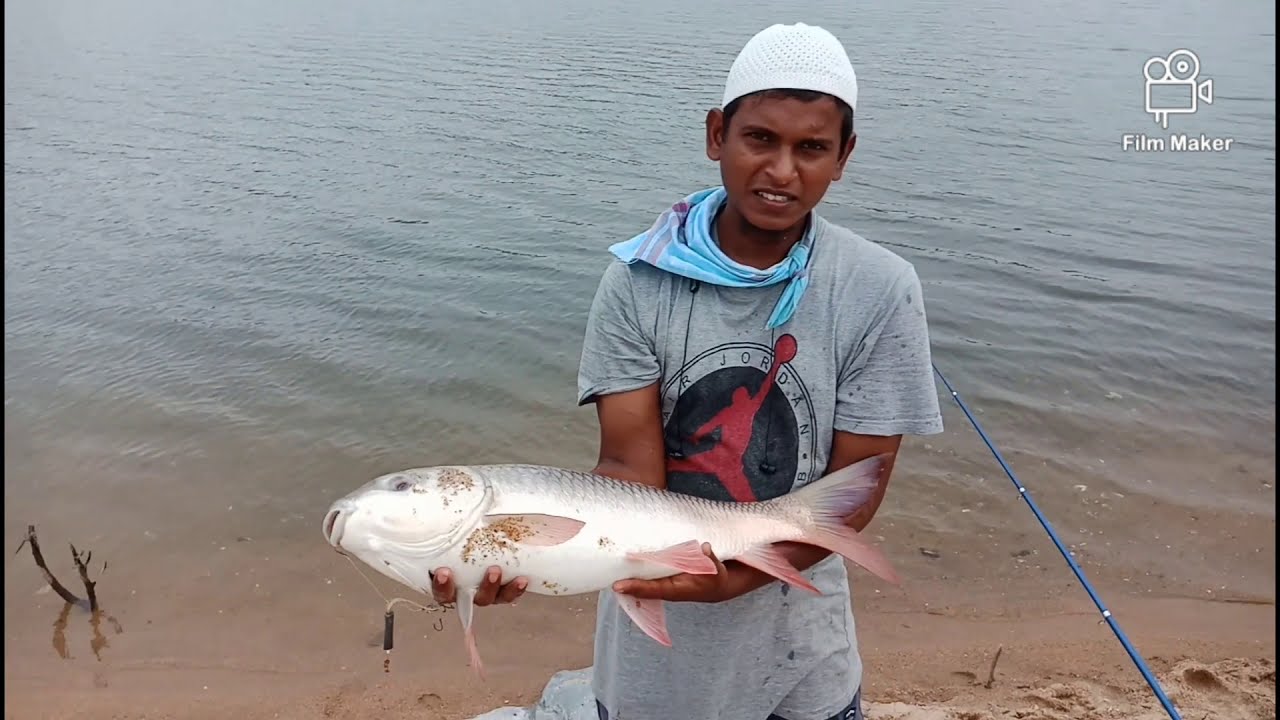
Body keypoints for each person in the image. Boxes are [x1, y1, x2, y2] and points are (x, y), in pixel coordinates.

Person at [431, 21, 945, 720]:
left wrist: (733, 583)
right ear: (716, 135)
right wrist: (520, 558)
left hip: (804, 662)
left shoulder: (880, 287)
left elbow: (853, 494)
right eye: (760, 138)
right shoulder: (637, 282)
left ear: (844, 156)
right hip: (651, 664)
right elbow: (627, 472)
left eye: (812, 148)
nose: (782, 171)